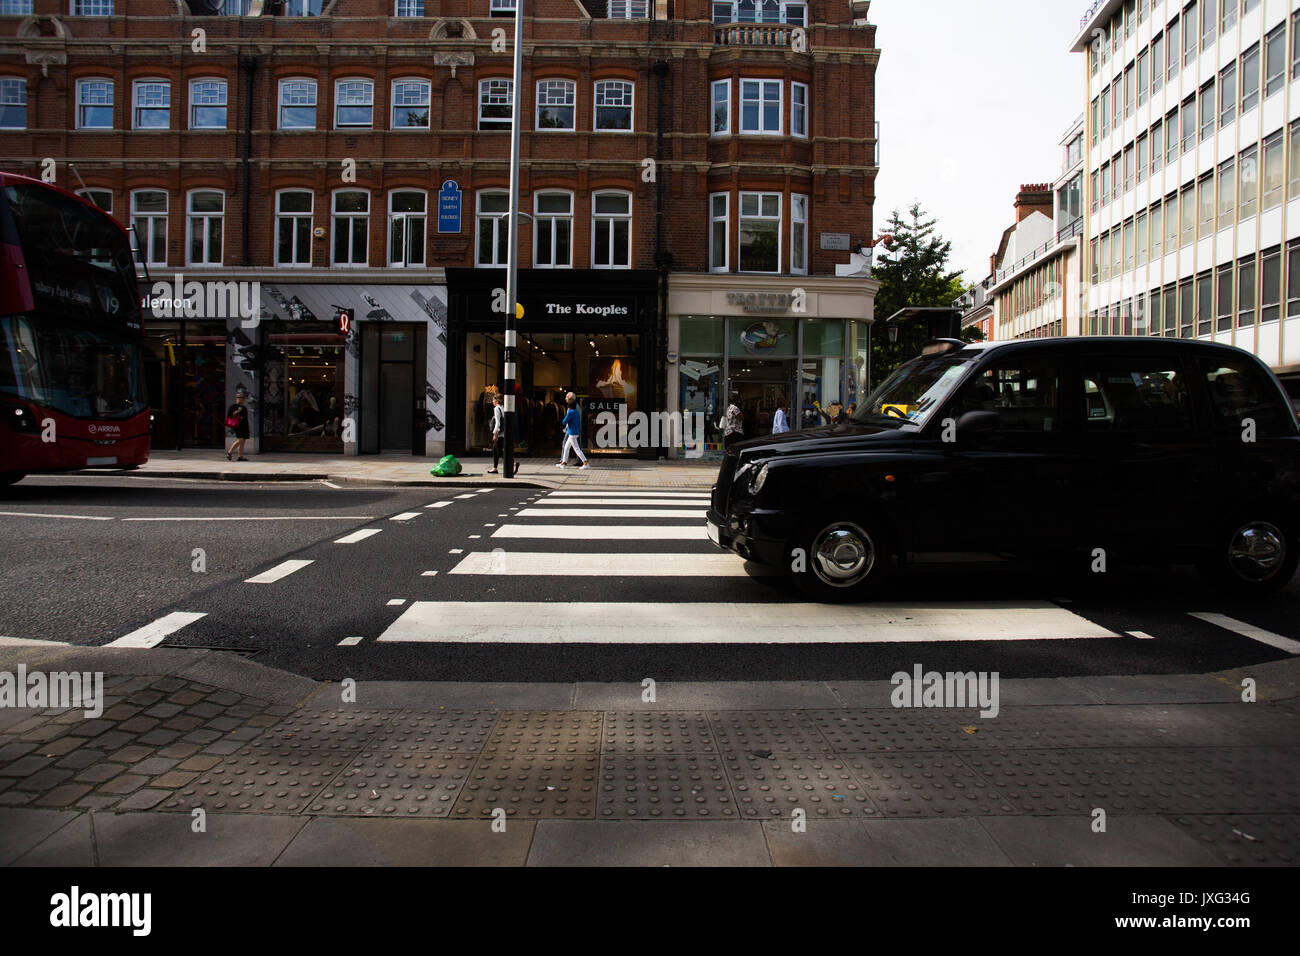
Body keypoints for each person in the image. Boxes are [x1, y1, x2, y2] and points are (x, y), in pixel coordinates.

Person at [557, 392, 589, 469]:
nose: (565, 399)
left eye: (566, 397)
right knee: (566, 447)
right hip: (574, 431)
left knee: (576, 448)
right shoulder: (576, 411)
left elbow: (564, 421)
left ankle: (585, 463)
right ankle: (563, 463)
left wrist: (567, 424)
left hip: (572, 432)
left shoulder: (570, 412)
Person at [225, 390, 250, 461]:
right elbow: (229, 416)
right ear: (236, 398)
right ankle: (229, 452)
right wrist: (237, 411)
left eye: (242, 398)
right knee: (240, 440)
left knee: (243, 441)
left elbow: (245, 418)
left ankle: (240, 456)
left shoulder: (244, 408)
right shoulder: (233, 407)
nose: (241, 399)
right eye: (239, 397)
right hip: (237, 426)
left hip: (244, 426)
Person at [487, 393, 505, 473]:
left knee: (498, 450)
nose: (492, 401)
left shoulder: (497, 408)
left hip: (499, 433)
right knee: (495, 450)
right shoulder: (503, 408)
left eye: (493, 400)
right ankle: (495, 468)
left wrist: (495, 434)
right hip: (503, 433)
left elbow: (498, 423)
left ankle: (512, 464)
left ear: (497, 401)